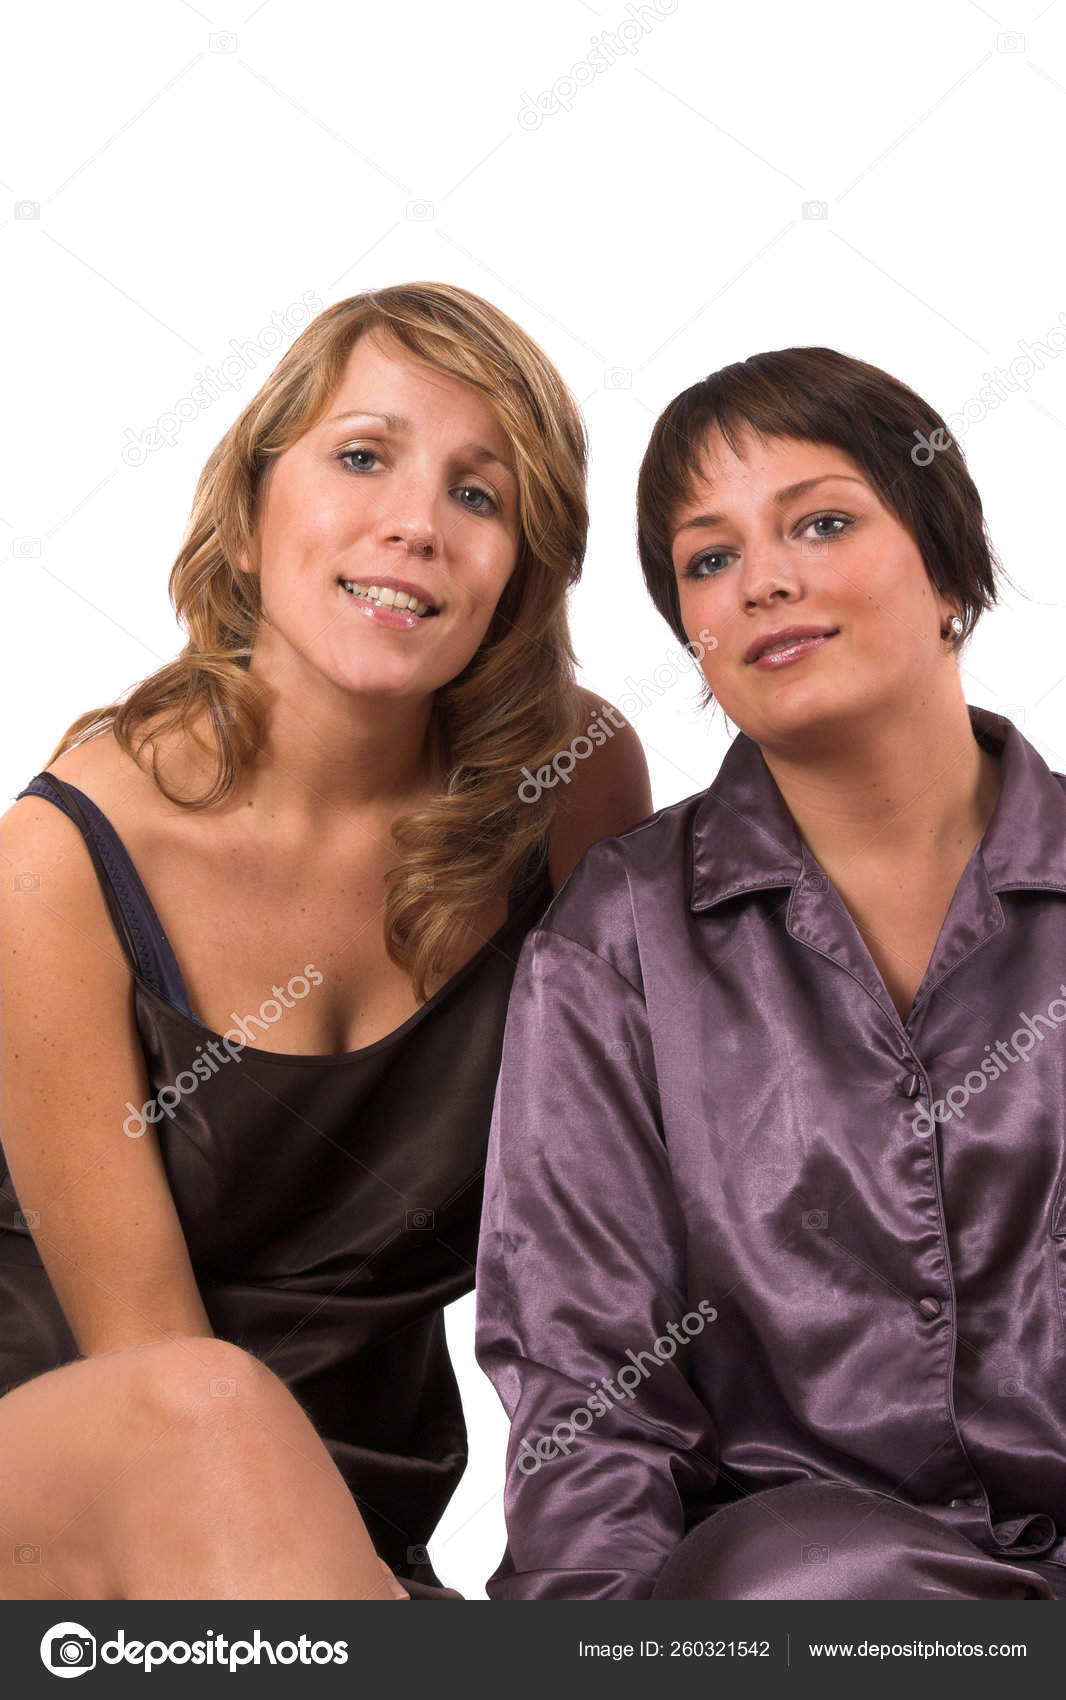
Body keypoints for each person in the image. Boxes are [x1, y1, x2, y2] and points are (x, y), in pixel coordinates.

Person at [0, 282, 652, 1601]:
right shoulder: (56, 861)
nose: (414, 523)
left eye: (479, 496)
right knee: (203, 1406)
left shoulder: (572, 784)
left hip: (340, 1563)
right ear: (247, 519)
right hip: (78, 1510)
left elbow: (620, 1227)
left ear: (519, 571)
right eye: (363, 456)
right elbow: (154, 1395)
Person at [474, 346, 1066, 1601]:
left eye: (823, 522)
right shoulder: (615, 938)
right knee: (815, 1574)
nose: (767, 582)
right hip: (797, 1611)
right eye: (711, 558)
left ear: (949, 564)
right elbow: (588, 1385)